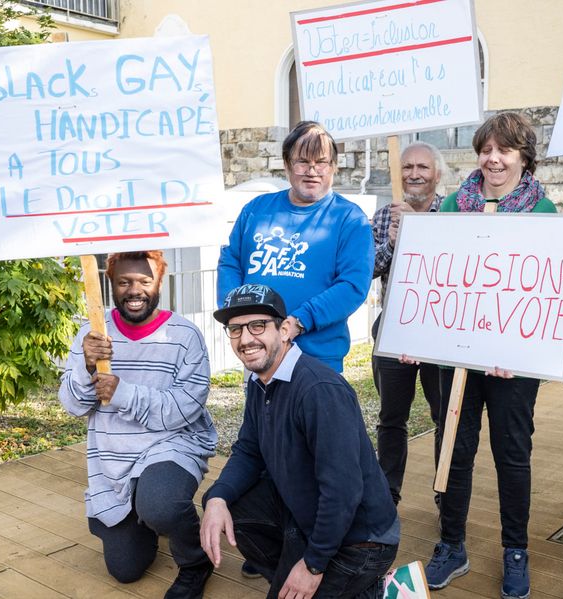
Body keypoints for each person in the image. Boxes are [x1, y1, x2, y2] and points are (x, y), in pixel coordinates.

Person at [420, 112, 556, 599]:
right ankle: (451, 543)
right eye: (487, 149)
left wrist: (513, 347)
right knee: (452, 445)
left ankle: (515, 551)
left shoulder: (542, 212)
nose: (494, 158)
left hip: (511, 361)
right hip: (458, 356)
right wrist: (424, 337)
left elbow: (542, 292)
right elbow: (438, 276)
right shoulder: (457, 203)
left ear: (524, 156)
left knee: (512, 452)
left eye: (505, 150)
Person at [200, 284, 400, 599]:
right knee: (226, 502)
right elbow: (249, 452)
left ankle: (367, 587)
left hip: (361, 542)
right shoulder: (260, 380)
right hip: (306, 518)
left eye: (258, 326)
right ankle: (304, 578)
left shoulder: (319, 390)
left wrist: (312, 566)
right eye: (235, 329)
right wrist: (216, 498)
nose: (246, 338)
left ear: (284, 330)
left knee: (299, 583)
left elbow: (343, 491)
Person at [58, 250, 218, 599]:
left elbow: (185, 409)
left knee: (161, 504)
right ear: (110, 285)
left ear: (160, 282)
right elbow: (72, 406)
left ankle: (195, 560)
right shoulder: (92, 335)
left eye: (145, 281)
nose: (135, 290)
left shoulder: (184, 335)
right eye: (124, 282)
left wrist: (123, 394)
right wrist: (87, 367)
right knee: (126, 570)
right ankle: (142, 515)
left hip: (171, 445)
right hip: (113, 458)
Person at [217, 120, 373, 374]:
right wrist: (238, 313)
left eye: (321, 161)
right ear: (288, 164)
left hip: (317, 359)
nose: (312, 170)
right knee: (261, 415)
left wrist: (300, 320)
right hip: (259, 353)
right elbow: (230, 262)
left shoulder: (349, 219)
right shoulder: (256, 210)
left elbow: (352, 286)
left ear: (333, 166)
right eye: (302, 161)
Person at [370, 141, 446, 506]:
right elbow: (367, 269)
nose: (414, 174)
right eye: (407, 167)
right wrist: (392, 243)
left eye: (423, 167)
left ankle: (446, 492)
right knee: (391, 417)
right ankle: (387, 495)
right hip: (395, 327)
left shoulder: (454, 213)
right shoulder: (385, 216)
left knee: (444, 415)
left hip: (440, 331)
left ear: (437, 175)